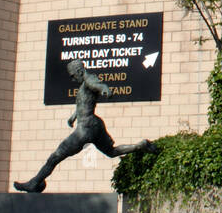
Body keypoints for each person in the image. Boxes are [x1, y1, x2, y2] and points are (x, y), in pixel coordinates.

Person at [14, 59, 156, 193]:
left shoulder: (88, 79)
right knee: (111, 152)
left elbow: (98, 85)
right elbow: (85, 102)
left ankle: (34, 183)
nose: (72, 79)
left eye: (73, 76)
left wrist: (105, 90)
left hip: (86, 128)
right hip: (95, 124)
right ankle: (141, 145)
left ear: (80, 72)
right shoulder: (84, 85)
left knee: (55, 157)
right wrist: (74, 116)